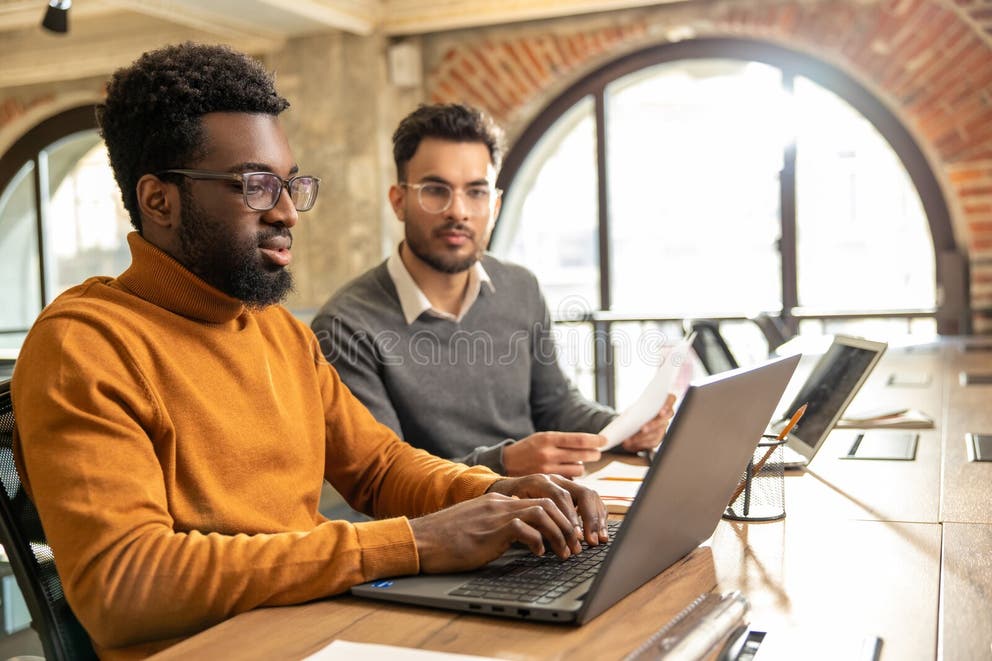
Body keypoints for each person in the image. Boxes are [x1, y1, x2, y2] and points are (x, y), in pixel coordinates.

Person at [11, 44, 607, 661]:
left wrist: (495, 493)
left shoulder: (278, 332)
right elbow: (125, 586)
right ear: (160, 201)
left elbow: (379, 469)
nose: (289, 212)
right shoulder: (83, 346)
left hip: (324, 624)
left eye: (291, 183)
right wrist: (414, 543)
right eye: (256, 185)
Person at [311, 104, 674, 477]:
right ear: (399, 202)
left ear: (495, 205)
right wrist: (503, 464)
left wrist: (623, 429)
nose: (459, 211)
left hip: (544, 508)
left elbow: (556, 405)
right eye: (436, 190)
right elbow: (383, 476)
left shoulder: (521, 288)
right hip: (441, 529)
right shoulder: (345, 326)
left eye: (476, 192)